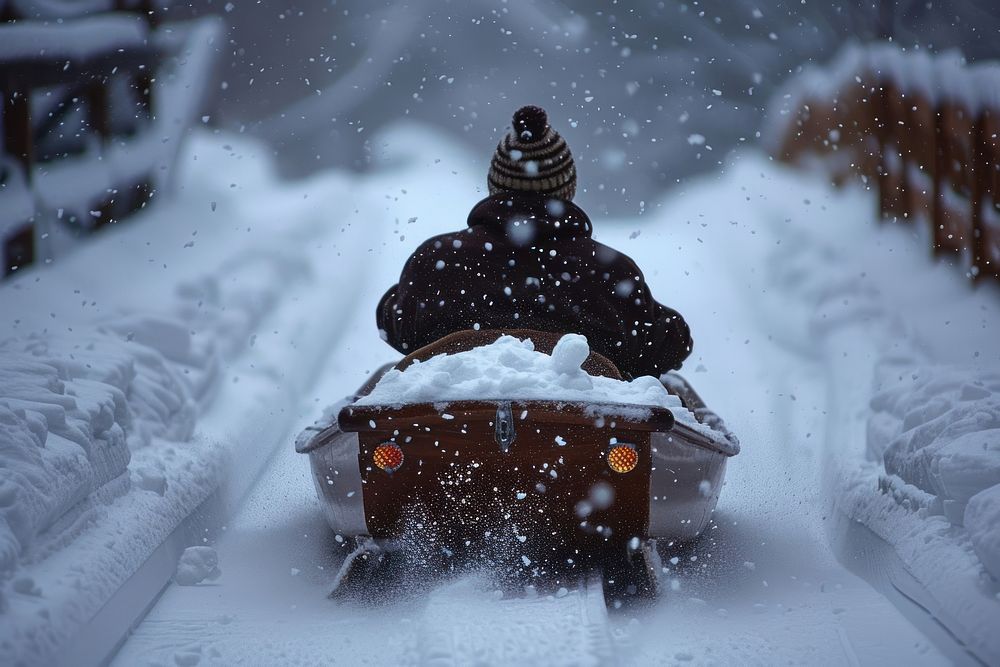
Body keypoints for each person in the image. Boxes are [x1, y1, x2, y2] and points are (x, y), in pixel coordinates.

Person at [376, 105, 692, 380]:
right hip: (585, 435)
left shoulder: (437, 259)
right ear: (567, 188)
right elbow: (661, 346)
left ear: (494, 185)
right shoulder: (610, 271)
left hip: (445, 432)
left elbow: (397, 325)